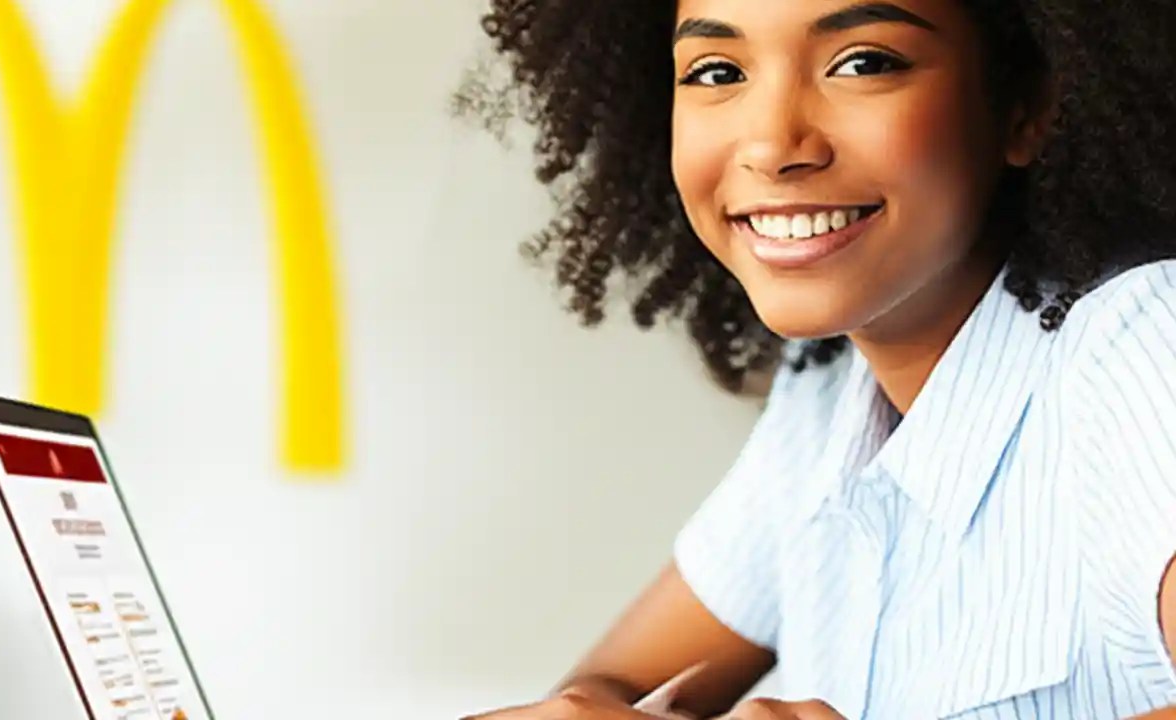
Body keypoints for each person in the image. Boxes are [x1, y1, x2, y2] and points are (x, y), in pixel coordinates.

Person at [453, 1, 1176, 719]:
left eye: (864, 63)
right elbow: (609, 685)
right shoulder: (825, 394)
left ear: (1027, 103)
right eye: (716, 71)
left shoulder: (1140, 343)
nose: (772, 143)